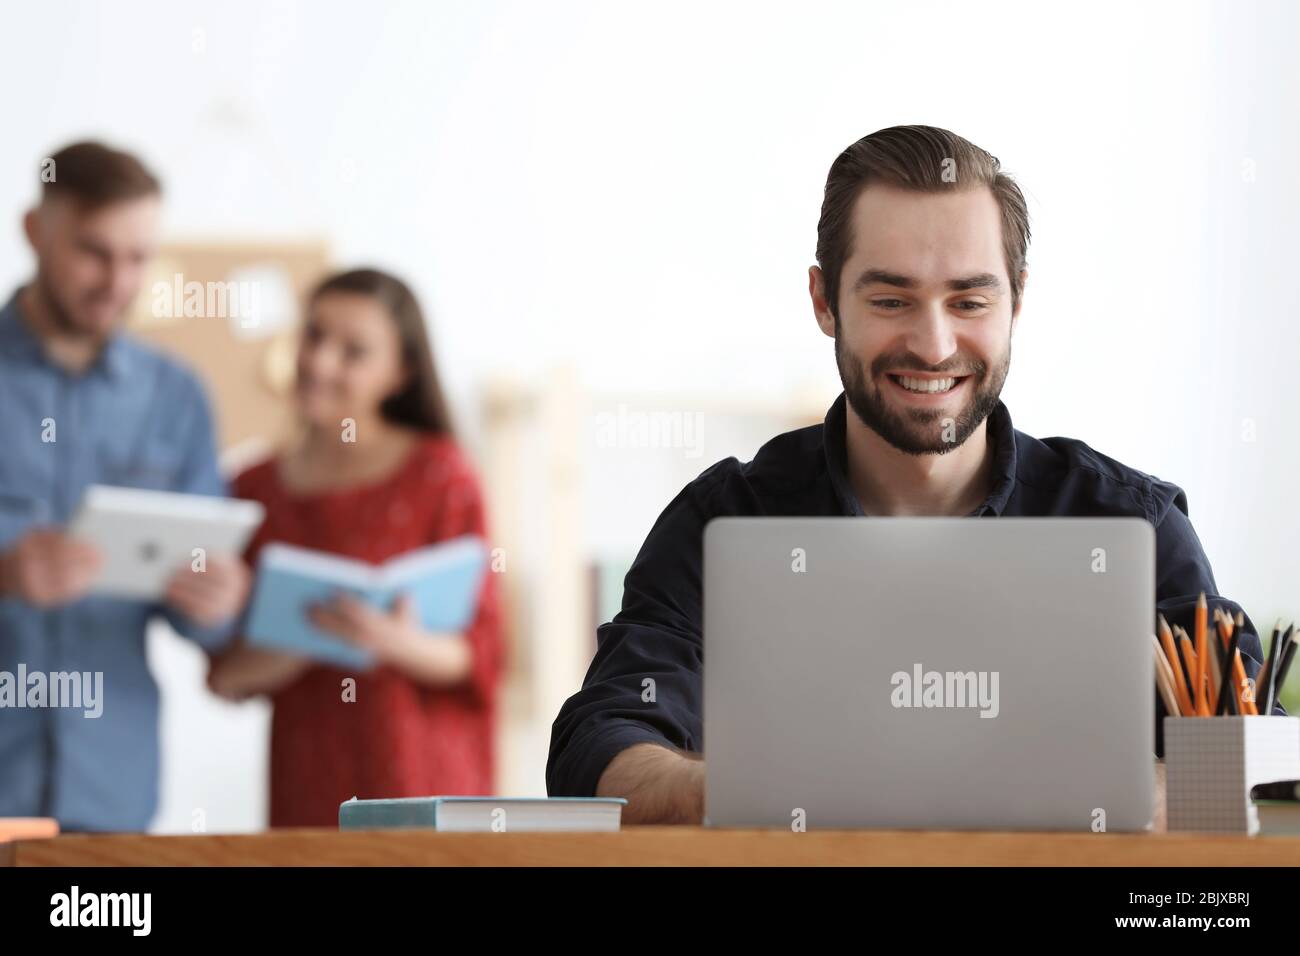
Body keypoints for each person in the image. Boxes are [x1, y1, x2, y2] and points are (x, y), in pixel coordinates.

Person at [546, 124, 1282, 824]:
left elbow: (1263, 765)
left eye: (969, 300)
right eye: (892, 299)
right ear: (824, 301)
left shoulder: (1132, 527)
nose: (933, 346)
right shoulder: (723, 521)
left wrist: (1165, 787)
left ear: (1016, 300)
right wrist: (759, 787)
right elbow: (598, 749)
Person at [0, 142, 250, 831]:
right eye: (93, 251)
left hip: (110, 793)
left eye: (138, 258)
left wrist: (214, 599)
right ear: (34, 230)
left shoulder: (176, 398)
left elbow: (207, 623)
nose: (117, 280)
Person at [207, 268, 504, 827]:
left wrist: (388, 640)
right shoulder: (253, 487)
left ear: (402, 372)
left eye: (353, 351)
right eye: (313, 336)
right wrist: (306, 635)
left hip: (425, 788)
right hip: (308, 785)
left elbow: (482, 655)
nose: (320, 362)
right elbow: (226, 675)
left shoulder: (444, 478)